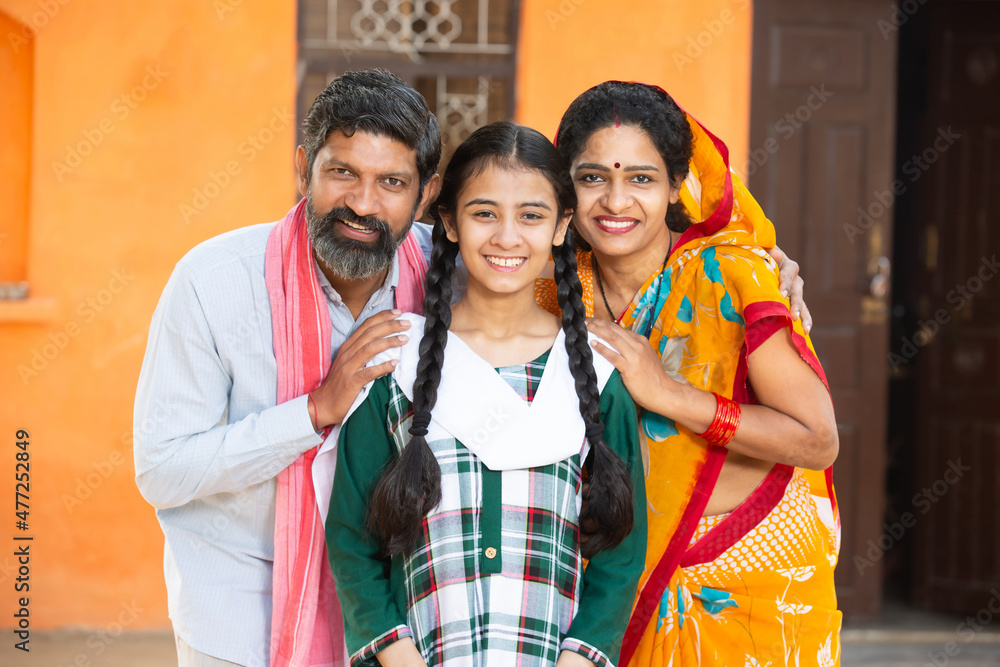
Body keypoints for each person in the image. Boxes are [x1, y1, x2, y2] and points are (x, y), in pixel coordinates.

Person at [133, 68, 441, 667]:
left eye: (391, 182)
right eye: (342, 172)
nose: (362, 203)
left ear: (425, 193)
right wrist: (314, 410)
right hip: (241, 617)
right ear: (304, 167)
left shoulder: (453, 280)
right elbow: (163, 469)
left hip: (406, 616)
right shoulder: (213, 281)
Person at [537, 81, 842, 666]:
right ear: (566, 187)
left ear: (677, 185)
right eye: (593, 176)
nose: (616, 201)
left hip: (749, 575)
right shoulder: (550, 286)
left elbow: (817, 438)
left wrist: (670, 394)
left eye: (642, 179)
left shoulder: (733, 275)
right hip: (609, 576)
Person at [323, 121, 647, 667]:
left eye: (531, 215)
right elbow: (352, 539)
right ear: (448, 221)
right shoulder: (395, 361)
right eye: (484, 213)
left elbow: (621, 554)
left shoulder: (596, 371)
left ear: (563, 226)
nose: (507, 237)